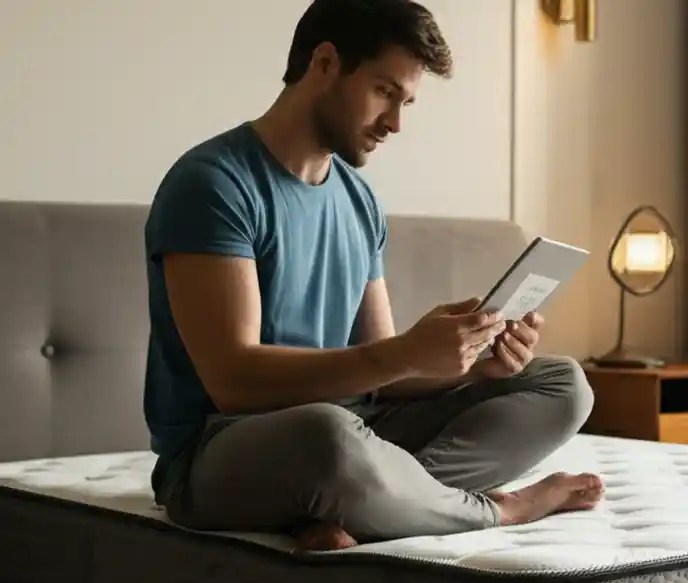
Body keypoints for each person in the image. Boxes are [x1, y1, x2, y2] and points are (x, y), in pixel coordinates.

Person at [143, 0, 604, 552]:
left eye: (406, 102)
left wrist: (468, 364)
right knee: (328, 436)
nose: (395, 123)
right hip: (221, 452)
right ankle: (493, 510)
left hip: (355, 435)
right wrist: (405, 353)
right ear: (325, 63)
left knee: (562, 384)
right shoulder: (214, 185)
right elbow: (234, 381)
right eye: (385, 91)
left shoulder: (357, 200)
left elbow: (381, 378)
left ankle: (370, 504)